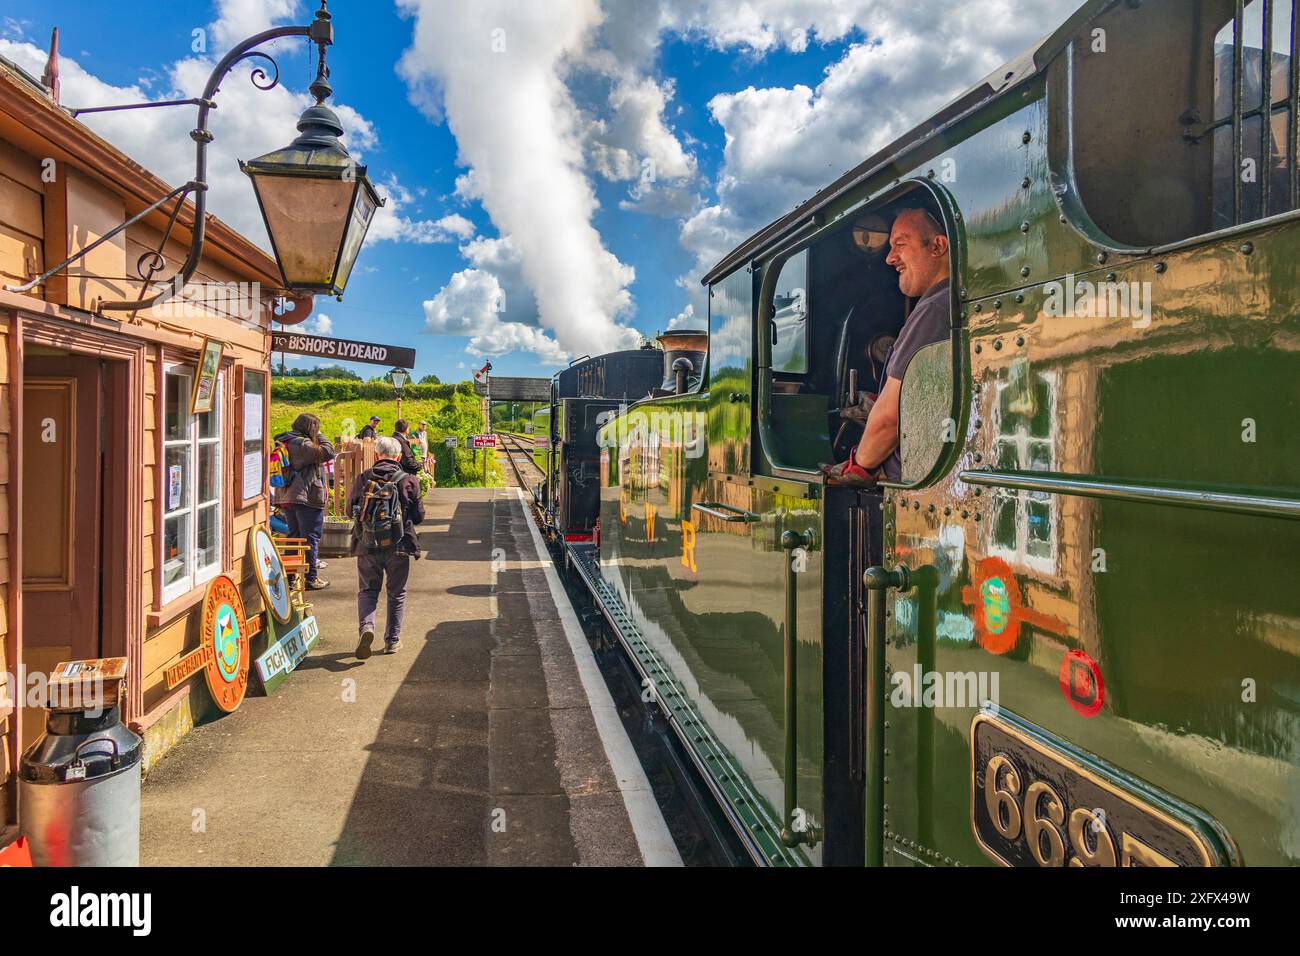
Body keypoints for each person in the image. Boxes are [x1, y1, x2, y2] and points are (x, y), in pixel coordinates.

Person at [822, 207, 950, 486]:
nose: (891, 258)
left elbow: (888, 419)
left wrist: (859, 467)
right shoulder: (952, 303)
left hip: (907, 482)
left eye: (900, 245)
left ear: (938, 246)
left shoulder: (934, 309)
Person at [348, 436, 425, 657]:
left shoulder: (363, 478)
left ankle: (367, 627)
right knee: (396, 593)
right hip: (398, 544)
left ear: (377, 455)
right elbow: (419, 517)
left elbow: (348, 510)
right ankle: (392, 641)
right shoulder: (409, 480)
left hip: (367, 545)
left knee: (368, 590)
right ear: (399, 456)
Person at [273, 413, 336, 589]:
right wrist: (320, 434)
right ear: (310, 428)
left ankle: (291, 578)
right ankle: (311, 578)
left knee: (294, 536)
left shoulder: (286, 440)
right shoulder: (302, 444)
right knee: (310, 537)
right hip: (305, 497)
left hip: (289, 495)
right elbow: (328, 451)